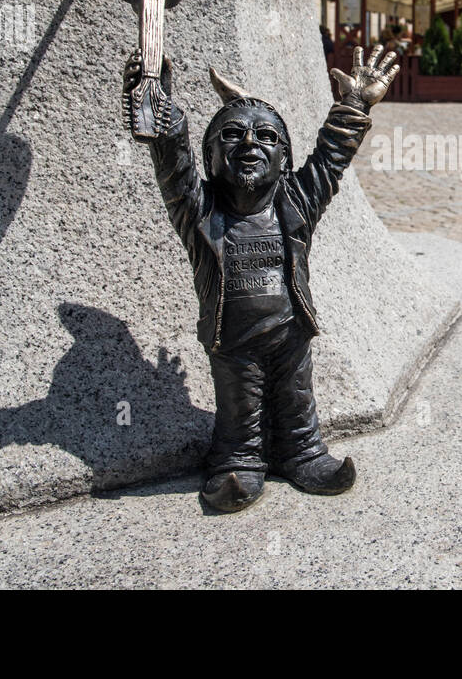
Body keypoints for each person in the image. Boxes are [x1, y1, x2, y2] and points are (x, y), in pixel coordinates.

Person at [127, 46, 399, 513]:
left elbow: (331, 157)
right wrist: (158, 99)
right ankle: (238, 464)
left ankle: (304, 455)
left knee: (297, 405)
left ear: (284, 160)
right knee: (239, 415)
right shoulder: (201, 212)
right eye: (231, 136)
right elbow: (172, 161)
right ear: (210, 158)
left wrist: (355, 105)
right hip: (233, 341)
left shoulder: (296, 201)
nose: (250, 144)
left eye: (266, 137)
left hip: (290, 335)